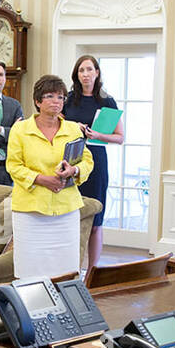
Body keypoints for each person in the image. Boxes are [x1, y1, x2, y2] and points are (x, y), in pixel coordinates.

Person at [5, 74, 94, 281]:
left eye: (61, 97)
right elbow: (14, 166)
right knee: (30, 271)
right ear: (38, 101)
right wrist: (42, 179)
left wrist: (74, 171)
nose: (56, 101)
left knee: (66, 271)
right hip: (30, 211)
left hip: (66, 210)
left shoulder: (73, 129)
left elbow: (87, 161)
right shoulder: (20, 129)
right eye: (50, 96)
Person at [63, 55, 124, 271]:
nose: (86, 74)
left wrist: (97, 135)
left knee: (96, 220)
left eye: (89, 69)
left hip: (97, 160)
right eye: (81, 70)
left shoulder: (107, 101)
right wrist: (73, 126)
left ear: (97, 73)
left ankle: (92, 272)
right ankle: (70, 270)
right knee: (71, 217)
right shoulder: (68, 99)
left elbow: (120, 137)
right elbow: (57, 125)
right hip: (72, 157)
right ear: (76, 75)